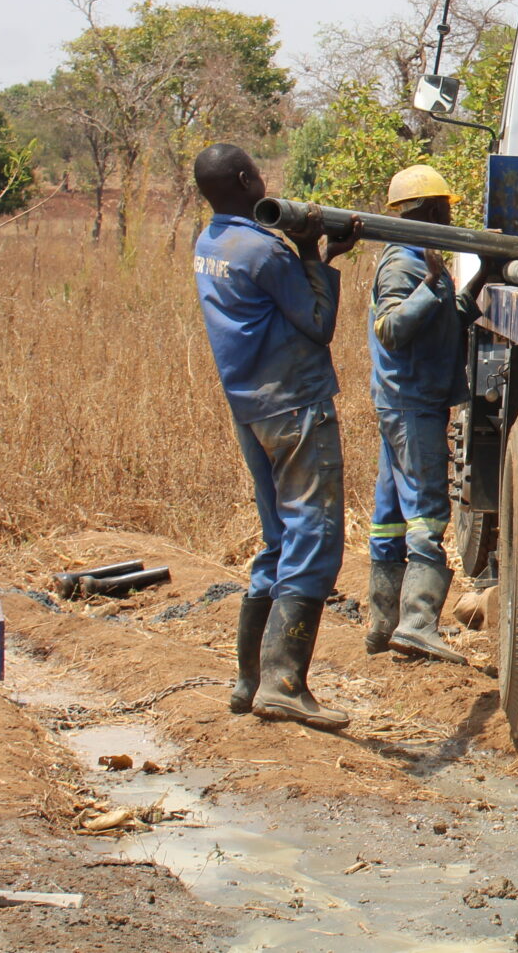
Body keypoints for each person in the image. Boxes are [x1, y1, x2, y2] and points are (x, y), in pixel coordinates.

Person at [191, 142, 360, 731]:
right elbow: (317, 325)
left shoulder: (210, 242)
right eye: (257, 172)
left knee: (277, 537)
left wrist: (310, 253)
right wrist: (316, 253)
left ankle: (247, 681)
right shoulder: (265, 251)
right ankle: (284, 682)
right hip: (294, 406)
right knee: (313, 532)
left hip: (251, 408)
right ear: (244, 178)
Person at [364, 164, 505, 665]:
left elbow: (446, 323)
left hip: (406, 400)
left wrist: (481, 277)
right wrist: (431, 285)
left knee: (388, 519)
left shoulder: (419, 261)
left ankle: (383, 624)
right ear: (425, 209)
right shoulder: (402, 265)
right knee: (426, 511)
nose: (450, 213)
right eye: (444, 206)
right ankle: (418, 623)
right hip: (411, 403)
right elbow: (392, 330)